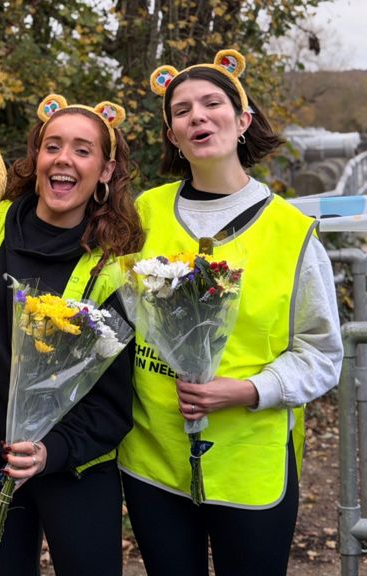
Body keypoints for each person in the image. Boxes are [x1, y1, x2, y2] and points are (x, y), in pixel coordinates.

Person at [117, 50, 343, 576]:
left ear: (242, 121)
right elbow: (115, 313)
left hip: (250, 460)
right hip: (154, 458)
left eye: (212, 103)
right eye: (181, 110)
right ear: (172, 136)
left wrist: (247, 390)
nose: (197, 115)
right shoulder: (143, 213)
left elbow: (321, 353)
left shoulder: (292, 233)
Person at [0, 94, 142, 576]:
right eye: (52, 146)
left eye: (82, 150)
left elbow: (114, 400)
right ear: (36, 158)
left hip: (74, 466)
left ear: (104, 170)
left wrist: (50, 451)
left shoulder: (113, 266)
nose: (63, 159)